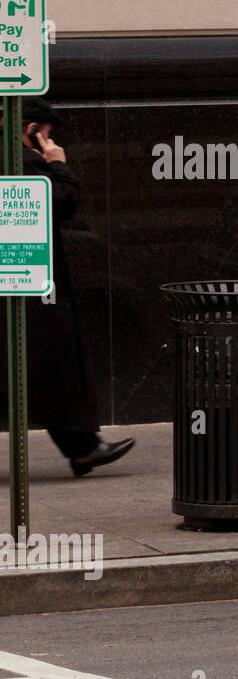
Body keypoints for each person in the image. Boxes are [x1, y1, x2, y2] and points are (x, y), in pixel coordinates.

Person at [16, 98, 133, 475]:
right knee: (53, 361)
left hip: (21, 278)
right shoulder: (25, 160)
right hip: (29, 283)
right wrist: (58, 163)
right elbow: (63, 201)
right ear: (31, 129)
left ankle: (83, 447)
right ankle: (83, 448)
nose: (48, 140)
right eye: (45, 134)